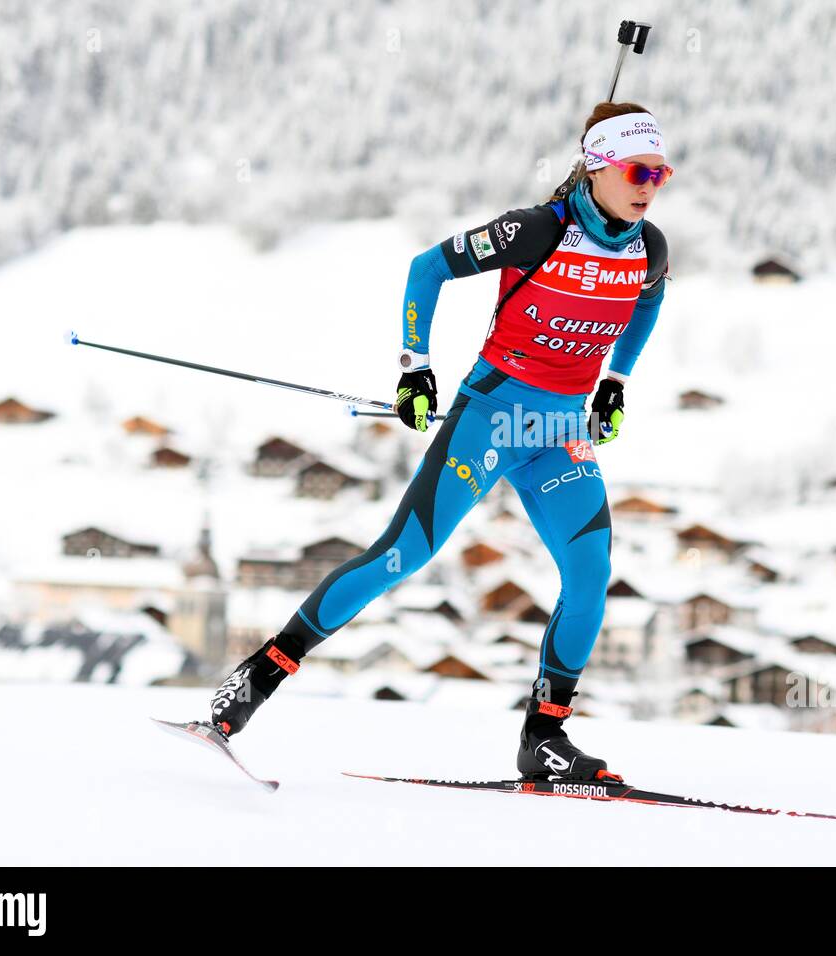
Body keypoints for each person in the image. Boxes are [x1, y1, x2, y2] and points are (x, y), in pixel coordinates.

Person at [206, 102, 674, 782]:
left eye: (661, 173)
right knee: (402, 555)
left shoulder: (648, 246)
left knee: (591, 575)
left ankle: (544, 739)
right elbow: (429, 268)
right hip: (492, 416)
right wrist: (414, 367)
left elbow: (650, 301)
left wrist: (616, 380)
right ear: (599, 167)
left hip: (559, 431)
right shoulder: (537, 229)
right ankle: (249, 687)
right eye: (637, 170)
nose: (649, 185)